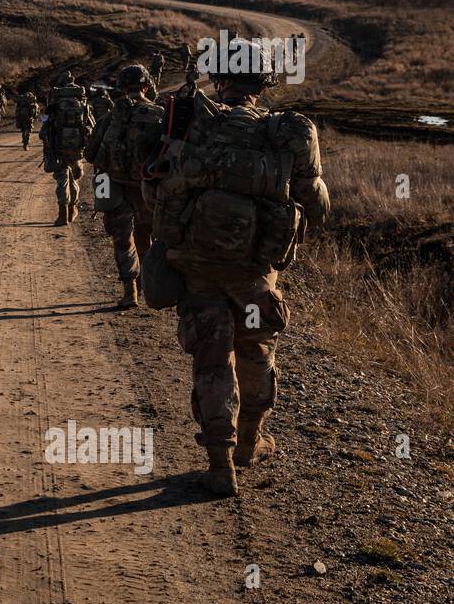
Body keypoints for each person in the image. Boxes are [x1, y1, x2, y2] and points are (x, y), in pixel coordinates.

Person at [149, 38, 330, 495]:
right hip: (254, 271)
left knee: (211, 358)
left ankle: (219, 465)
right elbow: (316, 204)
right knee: (256, 350)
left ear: (220, 79)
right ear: (265, 82)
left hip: (199, 267)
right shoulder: (288, 131)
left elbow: (155, 188)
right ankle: (250, 441)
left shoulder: (188, 119)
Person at [86, 65, 162, 307]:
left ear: (121, 88)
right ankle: (150, 287)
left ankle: (130, 292)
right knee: (147, 236)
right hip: (147, 188)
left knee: (122, 239)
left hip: (115, 186)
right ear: (147, 86)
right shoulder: (159, 114)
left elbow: (90, 154)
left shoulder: (111, 117)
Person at [40, 72, 94, 226]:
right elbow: (92, 126)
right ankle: (72, 209)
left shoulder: (55, 102)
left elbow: (44, 129)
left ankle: (62, 214)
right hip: (77, 148)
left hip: (59, 148)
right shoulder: (82, 102)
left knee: (62, 179)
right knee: (74, 179)